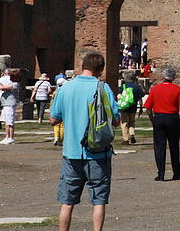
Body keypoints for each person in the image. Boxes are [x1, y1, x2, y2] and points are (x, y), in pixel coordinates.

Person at [49, 51, 119, 231]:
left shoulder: (66, 88)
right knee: (99, 200)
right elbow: (116, 119)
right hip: (98, 152)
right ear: (101, 69)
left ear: (82, 66)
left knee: (67, 202)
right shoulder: (104, 88)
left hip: (71, 152)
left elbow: (53, 119)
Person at [143, 68, 180, 181]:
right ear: (174, 78)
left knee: (159, 147)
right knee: (174, 146)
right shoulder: (177, 89)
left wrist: (152, 118)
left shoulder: (155, 89)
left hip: (159, 118)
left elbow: (148, 107)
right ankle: (176, 172)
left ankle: (161, 173)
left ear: (163, 77)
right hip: (172, 118)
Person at [117, 71, 145, 145]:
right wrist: (141, 107)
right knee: (132, 122)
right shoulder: (137, 87)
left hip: (124, 107)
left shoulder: (123, 86)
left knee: (124, 123)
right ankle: (132, 134)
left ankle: (126, 139)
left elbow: (119, 96)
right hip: (133, 107)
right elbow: (141, 97)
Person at [0, 68, 19, 144]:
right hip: (5, 104)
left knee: (10, 122)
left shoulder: (15, 84)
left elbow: (2, 88)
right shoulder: (11, 83)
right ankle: (7, 137)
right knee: (6, 121)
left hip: (10, 104)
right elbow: (2, 86)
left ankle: (11, 138)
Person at [52, 77, 67, 145]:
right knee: (62, 125)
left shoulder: (56, 92)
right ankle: (61, 139)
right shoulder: (65, 91)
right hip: (63, 108)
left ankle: (56, 137)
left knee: (56, 125)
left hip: (55, 109)